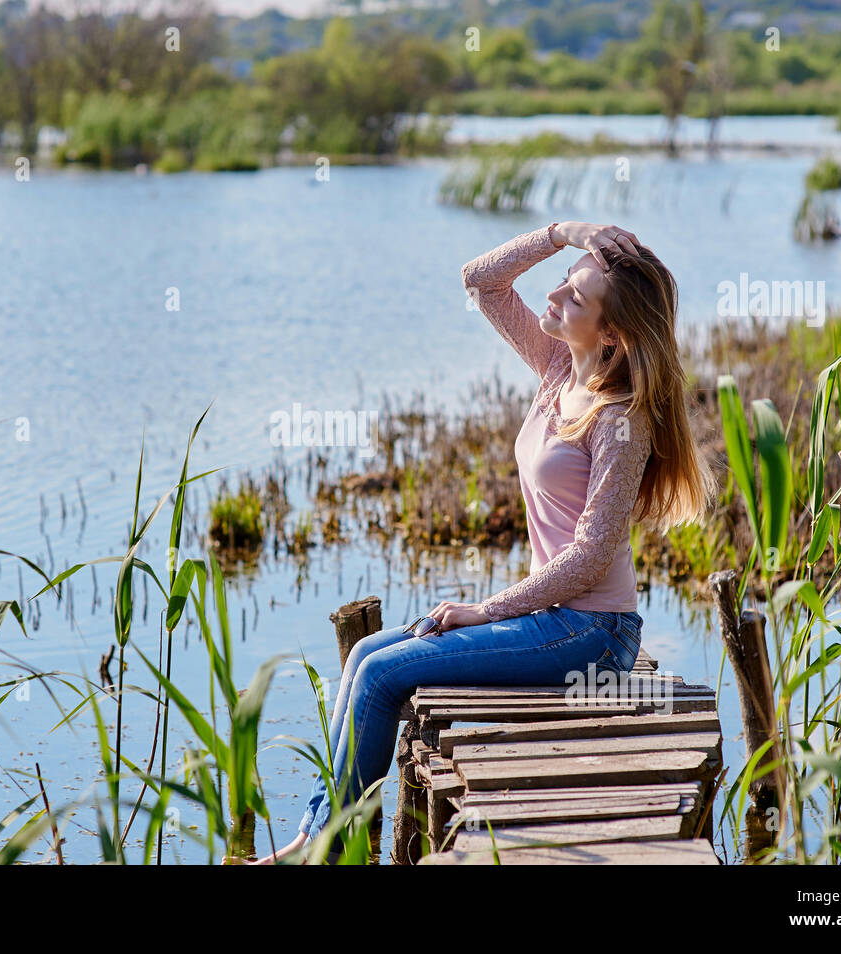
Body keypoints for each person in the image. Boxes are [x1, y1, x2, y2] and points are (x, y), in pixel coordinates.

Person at [252, 221, 717, 864]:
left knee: (386, 674)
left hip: (594, 634)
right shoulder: (559, 370)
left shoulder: (620, 421)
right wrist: (564, 234)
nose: (554, 296)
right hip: (553, 619)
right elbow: (482, 281)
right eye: (563, 284)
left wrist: (487, 609)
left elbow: (586, 561)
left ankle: (322, 848)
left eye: (575, 297)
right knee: (363, 654)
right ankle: (316, 834)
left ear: (612, 333)